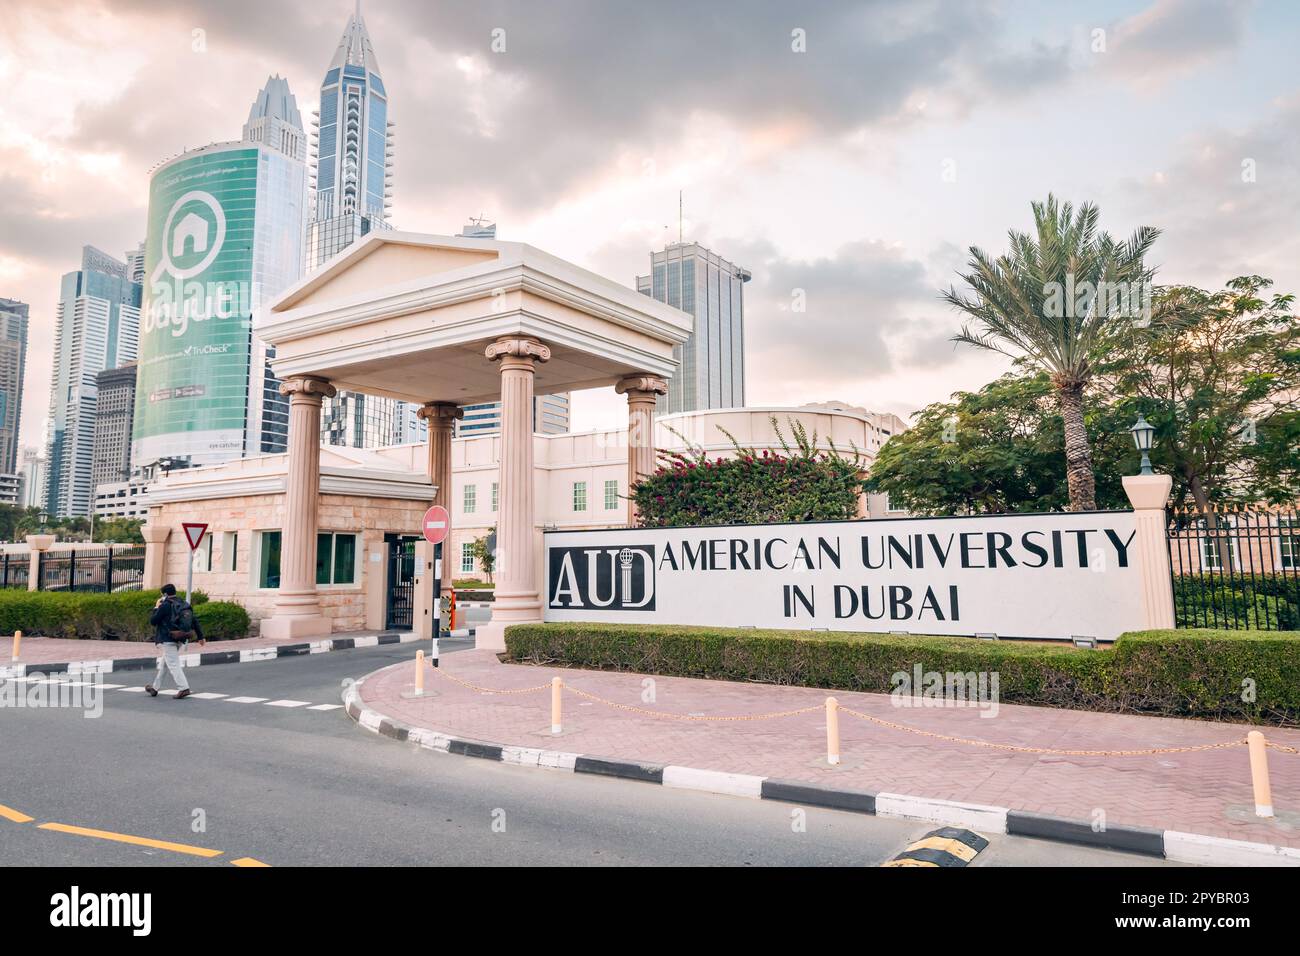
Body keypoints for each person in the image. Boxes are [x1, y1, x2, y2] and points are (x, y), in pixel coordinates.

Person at [145, 583, 205, 699]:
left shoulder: (165, 605)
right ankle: (155, 688)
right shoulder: (184, 604)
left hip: (167, 639)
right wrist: (200, 637)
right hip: (180, 638)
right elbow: (194, 620)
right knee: (165, 664)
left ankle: (183, 688)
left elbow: (153, 621)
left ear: (165, 594)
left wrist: (156, 607)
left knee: (173, 664)